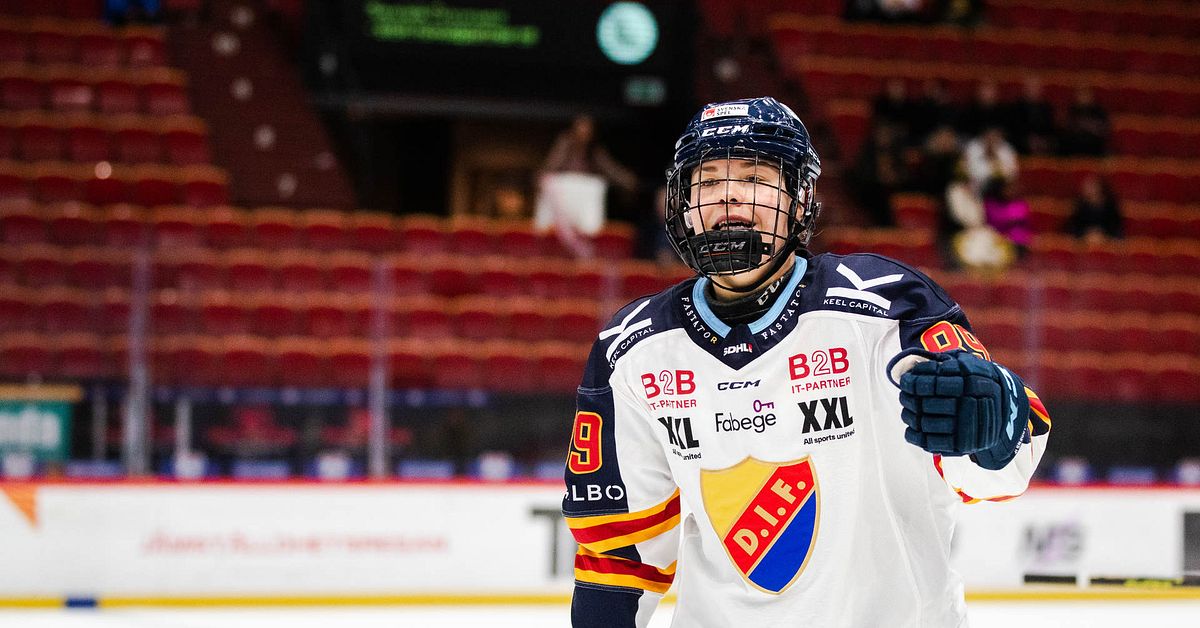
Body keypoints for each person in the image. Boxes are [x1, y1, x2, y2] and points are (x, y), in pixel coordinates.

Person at [563, 97, 1050, 628]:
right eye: (708, 182)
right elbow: (619, 555)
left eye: (754, 178)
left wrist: (994, 422)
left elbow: (997, 476)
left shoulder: (887, 307)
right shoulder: (632, 349)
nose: (728, 196)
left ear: (800, 201)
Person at [535, 115, 639, 257]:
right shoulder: (565, 143)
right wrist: (543, 176)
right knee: (549, 182)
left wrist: (626, 179)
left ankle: (582, 244)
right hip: (561, 197)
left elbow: (610, 168)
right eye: (581, 128)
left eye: (587, 130)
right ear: (573, 130)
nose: (584, 133)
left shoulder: (595, 150)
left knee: (596, 187)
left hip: (585, 198)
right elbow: (552, 164)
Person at [1064, 174, 1124, 242]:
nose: (1089, 189)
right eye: (1087, 187)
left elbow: (1115, 225)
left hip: (1107, 239)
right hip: (1084, 239)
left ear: (1099, 188)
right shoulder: (1080, 205)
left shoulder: (1110, 204)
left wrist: (1102, 235)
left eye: (1092, 187)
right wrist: (1086, 235)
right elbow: (1074, 225)